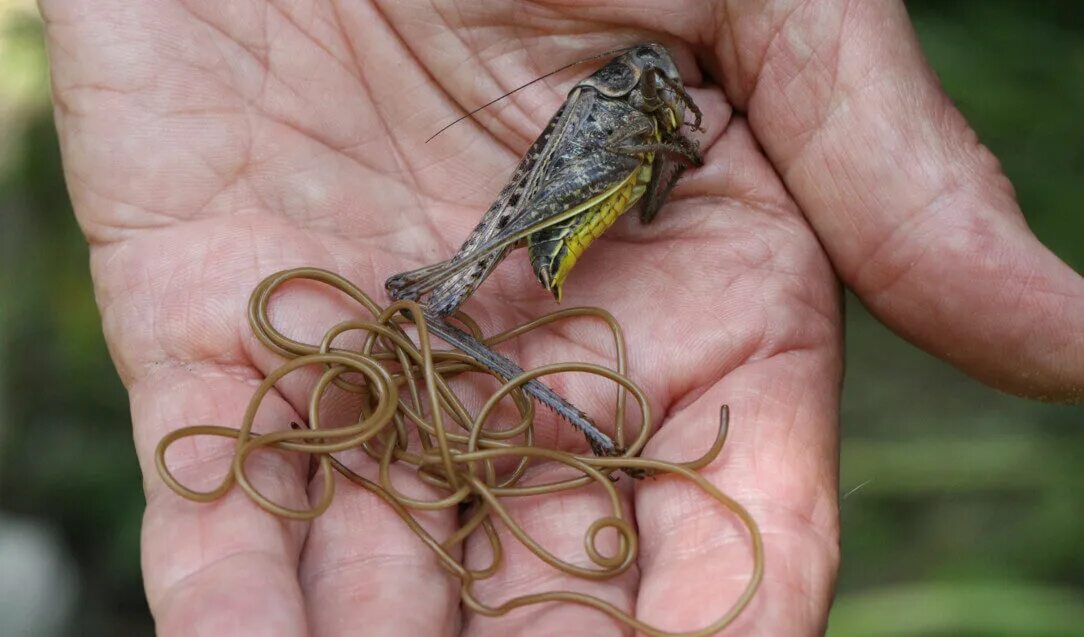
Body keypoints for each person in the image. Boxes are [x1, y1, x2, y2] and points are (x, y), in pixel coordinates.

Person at [41, 1, 1083, 635]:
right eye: (650, 84)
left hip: (586, 190)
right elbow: (656, 170)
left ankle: (505, 370)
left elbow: (664, 175)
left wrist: (667, 142)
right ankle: (475, 345)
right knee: (460, 283)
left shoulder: (643, 107)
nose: (661, 89)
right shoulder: (626, 114)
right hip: (548, 212)